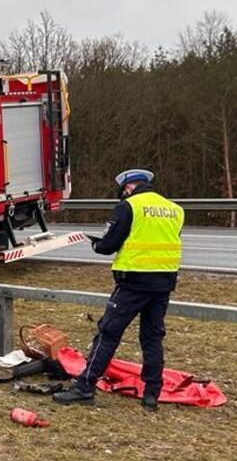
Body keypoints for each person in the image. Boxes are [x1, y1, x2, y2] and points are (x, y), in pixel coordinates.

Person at [53, 169, 184, 411]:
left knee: (108, 333)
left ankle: (84, 387)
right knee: (152, 338)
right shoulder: (174, 209)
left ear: (128, 187)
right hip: (164, 283)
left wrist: (96, 244)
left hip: (133, 282)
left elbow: (109, 245)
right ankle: (152, 393)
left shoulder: (129, 207)